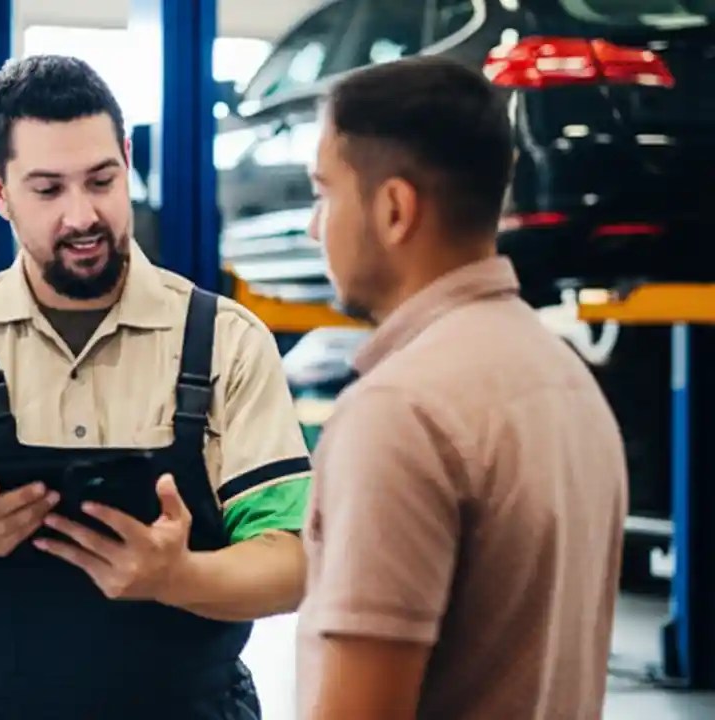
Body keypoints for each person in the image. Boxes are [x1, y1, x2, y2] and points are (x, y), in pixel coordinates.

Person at [0, 55, 312, 719]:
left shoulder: (226, 341)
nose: (81, 215)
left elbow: (292, 565)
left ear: (127, 161)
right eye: (47, 189)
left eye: (101, 180)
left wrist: (179, 577)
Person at [295, 56, 628, 719]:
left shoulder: (400, 413)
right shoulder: (566, 380)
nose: (313, 226)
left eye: (323, 193)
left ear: (394, 208)